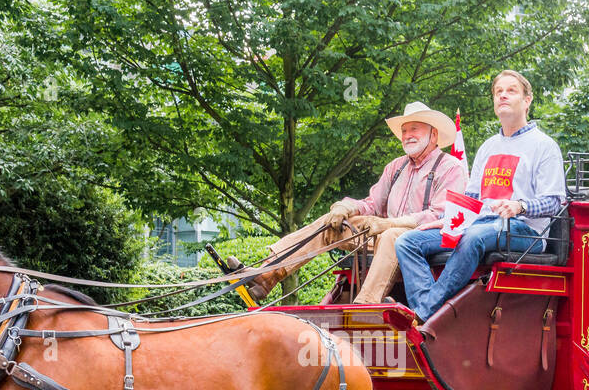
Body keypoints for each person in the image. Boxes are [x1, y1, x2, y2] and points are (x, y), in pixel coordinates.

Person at [231, 101, 468, 305]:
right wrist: (346, 207)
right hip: (384, 236)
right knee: (332, 224)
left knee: (393, 235)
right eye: (404, 130)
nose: (407, 135)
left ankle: (365, 304)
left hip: (423, 241)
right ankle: (269, 273)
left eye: (414, 129)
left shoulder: (451, 168)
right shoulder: (395, 167)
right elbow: (373, 203)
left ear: (434, 135)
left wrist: (388, 224)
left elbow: (438, 216)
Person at [396, 69, 566, 323]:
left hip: (524, 231)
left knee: (473, 237)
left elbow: (554, 201)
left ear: (527, 100)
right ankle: (425, 305)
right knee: (408, 241)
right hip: (479, 225)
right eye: (499, 92)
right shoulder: (488, 147)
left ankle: (423, 312)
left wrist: (519, 206)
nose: (503, 96)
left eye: (511, 91)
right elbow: (472, 197)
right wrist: (448, 220)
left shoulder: (544, 145)